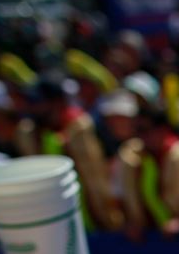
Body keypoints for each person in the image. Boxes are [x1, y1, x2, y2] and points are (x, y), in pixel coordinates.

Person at [15, 79, 119, 231]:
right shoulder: (30, 132)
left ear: (58, 102)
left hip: (94, 218)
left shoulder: (81, 126)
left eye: (37, 102)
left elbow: (99, 174)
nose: (32, 108)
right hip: (56, 221)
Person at [118, 109, 179, 240]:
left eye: (145, 129)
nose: (141, 136)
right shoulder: (134, 157)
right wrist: (132, 223)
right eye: (137, 130)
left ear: (163, 130)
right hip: (149, 239)